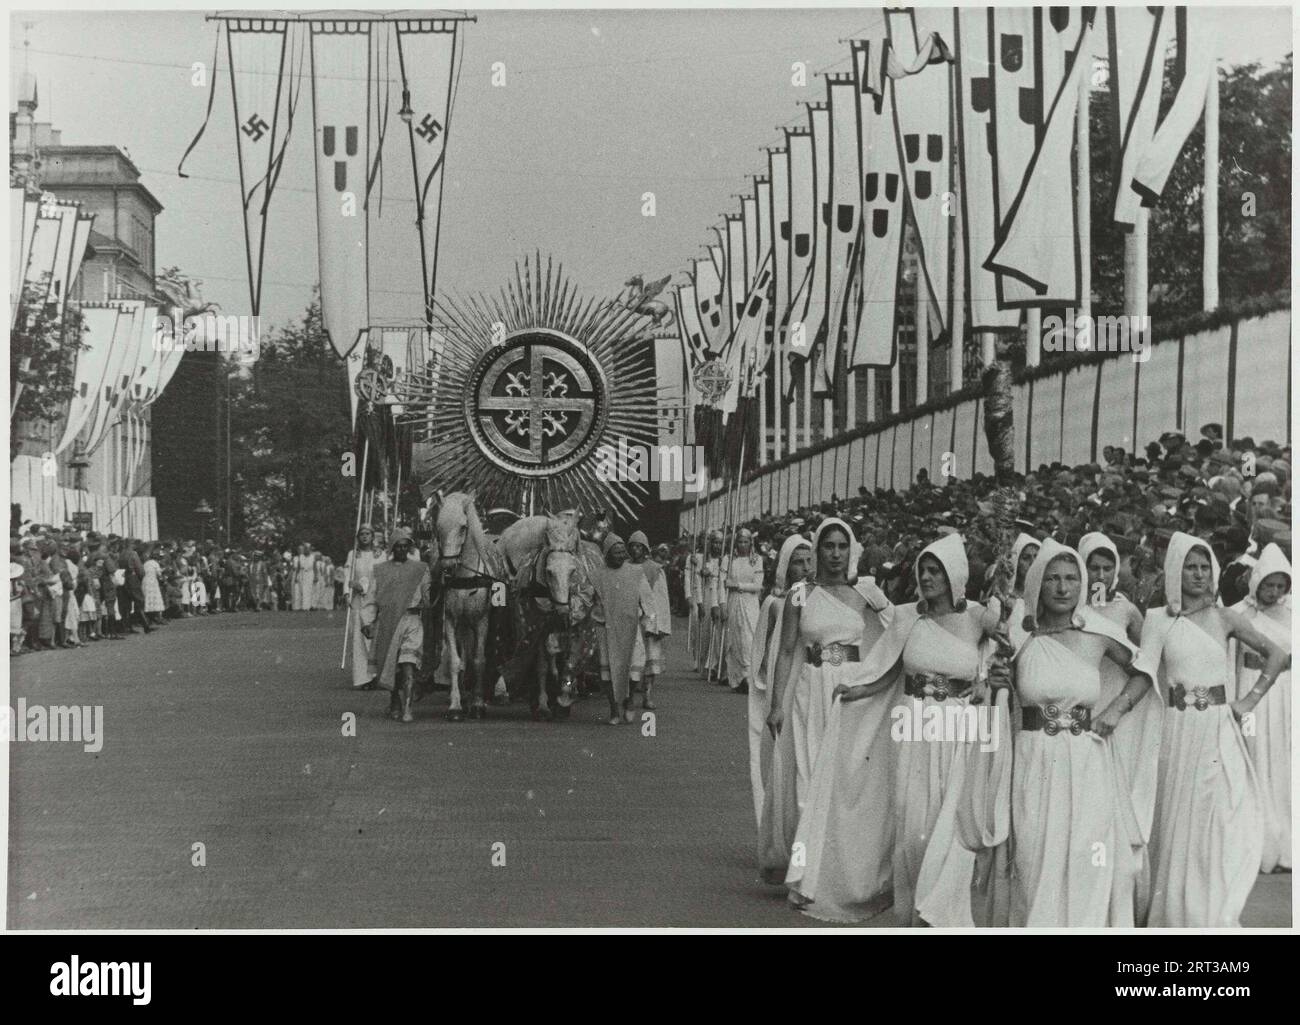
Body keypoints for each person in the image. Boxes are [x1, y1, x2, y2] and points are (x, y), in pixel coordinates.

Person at [835, 532, 1007, 927]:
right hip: (914, 727)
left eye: (937, 571)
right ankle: (916, 911)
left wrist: (988, 675)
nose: (928, 578)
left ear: (955, 576)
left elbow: (1008, 645)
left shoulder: (978, 616)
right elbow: (890, 669)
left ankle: (943, 912)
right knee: (914, 826)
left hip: (958, 728)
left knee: (951, 821)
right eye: (924, 570)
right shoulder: (907, 617)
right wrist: (859, 689)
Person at [1140, 532, 1289, 926]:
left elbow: (1277, 655)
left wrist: (1248, 702)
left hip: (1218, 727)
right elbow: (1142, 676)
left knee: (1222, 816)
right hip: (1176, 728)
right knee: (1176, 821)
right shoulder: (1157, 620)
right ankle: (1175, 910)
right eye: (1190, 567)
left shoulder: (1226, 618)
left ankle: (1213, 905)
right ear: (1175, 570)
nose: (1199, 574)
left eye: (1205, 567)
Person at [1006, 539, 1153, 926]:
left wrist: (1117, 709)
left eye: (1072, 578)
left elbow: (1144, 671)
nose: (1062, 587)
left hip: (1086, 761)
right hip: (1033, 759)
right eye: (1052, 578)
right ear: (1038, 581)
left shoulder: (1099, 632)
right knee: (1034, 856)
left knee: (1085, 855)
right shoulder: (1021, 636)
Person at [779, 520, 898, 922]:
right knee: (808, 782)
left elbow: (899, 630)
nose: (834, 554)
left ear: (851, 551)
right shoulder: (800, 594)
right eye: (827, 546)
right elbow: (786, 650)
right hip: (811, 689)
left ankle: (834, 876)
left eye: (841, 547)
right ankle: (804, 878)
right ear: (816, 550)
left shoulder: (865, 592)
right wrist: (778, 703)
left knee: (843, 783)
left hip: (851, 689)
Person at [1078, 530, 1163, 919]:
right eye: (1092, 566)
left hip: (1118, 712)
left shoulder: (1127, 611)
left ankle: (1124, 895)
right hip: (1081, 705)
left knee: (1119, 796)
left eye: (1106, 567)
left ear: (1116, 570)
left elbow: (1146, 664)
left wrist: (1122, 706)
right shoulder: (1068, 608)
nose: (1099, 574)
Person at [1229, 542, 1291, 874]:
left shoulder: (1293, 612)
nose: (1274, 592)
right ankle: (1254, 838)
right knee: (1252, 755)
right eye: (1269, 584)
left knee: (1280, 760)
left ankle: (1284, 839)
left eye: (1280, 586)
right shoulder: (1239, 613)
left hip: (1283, 693)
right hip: (1251, 687)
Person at [751, 533, 812, 866]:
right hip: (783, 682)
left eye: (807, 561)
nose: (803, 568)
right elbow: (768, 651)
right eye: (796, 562)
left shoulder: (814, 596)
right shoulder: (775, 603)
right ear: (785, 569)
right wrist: (771, 693)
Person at [360, 528, 432, 722]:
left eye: (405, 546)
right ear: (392, 548)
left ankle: (408, 707)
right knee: (392, 666)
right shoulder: (381, 570)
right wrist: (368, 622)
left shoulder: (421, 569)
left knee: (408, 664)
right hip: (389, 623)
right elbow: (371, 598)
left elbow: (429, 596)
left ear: (409, 547)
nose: (401, 549)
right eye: (397, 546)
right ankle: (395, 701)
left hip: (413, 621)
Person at [590, 533, 655, 725]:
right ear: (607, 554)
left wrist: (650, 623)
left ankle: (629, 700)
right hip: (607, 630)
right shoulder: (597, 575)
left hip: (631, 629)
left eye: (621, 552)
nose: (620, 555)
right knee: (608, 672)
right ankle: (613, 709)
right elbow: (586, 599)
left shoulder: (636, 573)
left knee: (635, 670)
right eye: (615, 552)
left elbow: (648, 600)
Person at [627, 531, 670, 710]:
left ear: (645, 549)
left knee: (651, 659)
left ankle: (648, 694)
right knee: (631, 659)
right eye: (633, 546)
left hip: (650, 621)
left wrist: (661, 625)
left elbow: (661, 599)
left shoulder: (655, 569)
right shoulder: (624, 567)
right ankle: (629, 695)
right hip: (630, 619)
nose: (636, 550)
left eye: (640, 546)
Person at [721, 527, 764, 695]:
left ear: (751, 543)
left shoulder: (756, 559)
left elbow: (758, 585)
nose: (743, 545)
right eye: (740, 541)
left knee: (749, 637)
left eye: (746, 541)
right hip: (733, 602)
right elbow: (722, 584)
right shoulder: (728, 559)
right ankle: (737, 678)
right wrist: (722, 603)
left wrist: (738, 585)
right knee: (735, 639)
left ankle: (748, 675)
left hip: (750, 603)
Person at [344, 525, 383, 690]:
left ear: (373, 536)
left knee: (374, 639)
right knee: (358, 640)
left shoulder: (380, 555)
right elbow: (348, 575)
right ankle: (364, 678)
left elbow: (383, 577)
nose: (365, 537)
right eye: (362, 534)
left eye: (368, 534)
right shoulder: (353, 554)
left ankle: (377, 676)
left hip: (375, 600)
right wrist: (347, 591)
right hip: (358, 601)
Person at [142, 545, 165, 624]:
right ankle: (158, 617)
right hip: (153, 583)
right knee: (156, 599)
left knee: (147, 599)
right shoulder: (155, 564)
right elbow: (159, 574)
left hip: (145, 582)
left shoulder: (145, 563)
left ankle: (149, 617)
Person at [291, 543, 316, 611]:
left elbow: (314, 567)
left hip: (310, 573)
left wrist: (315, 577)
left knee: (308, 590)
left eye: (307, 548)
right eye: (305, 548)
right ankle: (300, 606)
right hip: (302, 573)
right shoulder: (301, 556)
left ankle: (306, 607)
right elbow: (298, 567)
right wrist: (296, 576)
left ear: (309, 549)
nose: (306, 550)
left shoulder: (313, 557)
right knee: (301, 590)